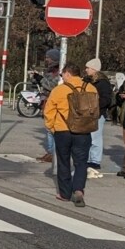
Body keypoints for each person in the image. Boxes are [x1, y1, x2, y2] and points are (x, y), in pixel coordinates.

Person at [43, 63, 93, 206]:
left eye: (62, 74)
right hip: (83, 130)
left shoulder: (59, 90)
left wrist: (51, 127)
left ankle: (64, 193)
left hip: (63, 130)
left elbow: (49, 111)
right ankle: (78, 189)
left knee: (64, 162)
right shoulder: (91, 88)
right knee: (81, 162)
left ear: (68, 74)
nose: (62, 77)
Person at [83, 58, 114, 178]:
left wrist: (94, 105)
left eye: (88, 68)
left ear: (94, 69)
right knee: (88, 136)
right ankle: (89, 158)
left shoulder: (102, 83)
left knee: (95, 137)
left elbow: (106, 99)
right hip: (88, 113)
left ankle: (95, 160)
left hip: (98, 113)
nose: (86, 70)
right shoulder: (87, 80)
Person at [37, 48, 62, 162]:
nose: (46, 60)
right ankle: (50, 151)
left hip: (54, 102)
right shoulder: (50, 70)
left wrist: (41, 80)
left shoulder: (59, 71)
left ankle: (53, 153)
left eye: (48, 58)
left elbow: (53, 86)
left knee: (52, 129)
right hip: (47, 101)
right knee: (48, 128)